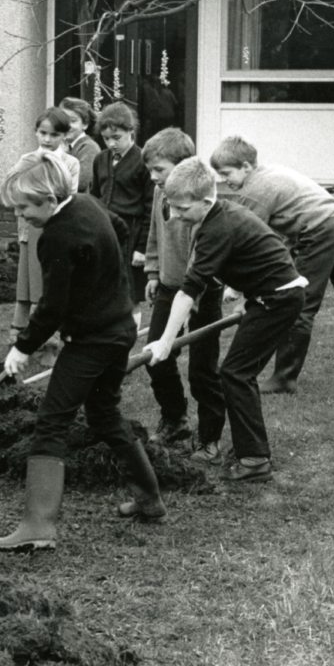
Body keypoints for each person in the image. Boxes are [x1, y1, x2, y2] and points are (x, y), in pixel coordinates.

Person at [0, 153, 164, 552]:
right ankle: (149, 500)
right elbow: (120, 229)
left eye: (24, 207)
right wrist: (104, 277)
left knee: (52, 421)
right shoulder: (88, 203)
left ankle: (38, 525)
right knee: (104, 415)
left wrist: (22, 347)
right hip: (120, 328)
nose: (21, 216)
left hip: (93, 341)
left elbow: (52, 306)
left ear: (49, 199)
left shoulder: (56, 236)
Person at [144, 158, 308, 484]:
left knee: (236, 374)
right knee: (237, 373)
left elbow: (189, 291)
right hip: (266, 296)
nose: (175, 215)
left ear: (206, 201)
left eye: (182, 208)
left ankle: (255, 460)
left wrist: (165, 342)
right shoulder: (219, 217)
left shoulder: (218, 227)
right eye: (171, 206)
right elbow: (259, 255)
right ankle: (251, 451)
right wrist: (250, 297)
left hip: (278, 299)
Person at [210, 136, 334, 394]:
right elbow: (277, 236)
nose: (223, 180)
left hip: (320, 231)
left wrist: (237, 288)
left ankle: (284, 379)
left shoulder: (255, 191)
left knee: (301, 304)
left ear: (246, 167)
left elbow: (245, 242)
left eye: (227, 173)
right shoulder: (271, 172)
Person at [141, 128, 225, 450]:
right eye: (150, 170)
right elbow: (154, 232)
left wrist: (191, 300)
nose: (153, 177)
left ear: (182, 167)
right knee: (155, 356)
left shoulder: (198, 205)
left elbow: (201, 257)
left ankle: (209, 438)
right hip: (168, 287)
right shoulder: (160, 193)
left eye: (158, 169)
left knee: (202, 371)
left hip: (202, 291)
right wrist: (153, 271)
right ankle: (175, 419)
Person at [10, 108, 81, 353]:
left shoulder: (70, 163)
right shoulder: (26, 160)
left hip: (58, 228)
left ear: (65, 136)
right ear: (36, 132)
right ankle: (22, 330)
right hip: (32, 226)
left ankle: (52, 336)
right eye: (43, 133)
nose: (47, 139)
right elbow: (15, 188)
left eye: (54, 135)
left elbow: (69, 195)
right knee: (30, 279)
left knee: (52, 280)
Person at [92, 102, 152, 311]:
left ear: (130, 131)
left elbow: (150, 208)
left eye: (116, 138)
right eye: (106, 138)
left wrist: (142, 248)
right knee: (103, 287)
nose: (111, 144)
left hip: (131, 232)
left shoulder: (143, 161)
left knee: (129, 292)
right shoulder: (100, 160)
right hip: (105, 230)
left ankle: (131, 329)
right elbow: (94, 197)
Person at [60, 96, 101, 194]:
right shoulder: (65, 146)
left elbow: (80, 183)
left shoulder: (89, 147)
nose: (68, 125)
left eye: (73, 121)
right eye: (64, 120)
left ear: (85, 124)